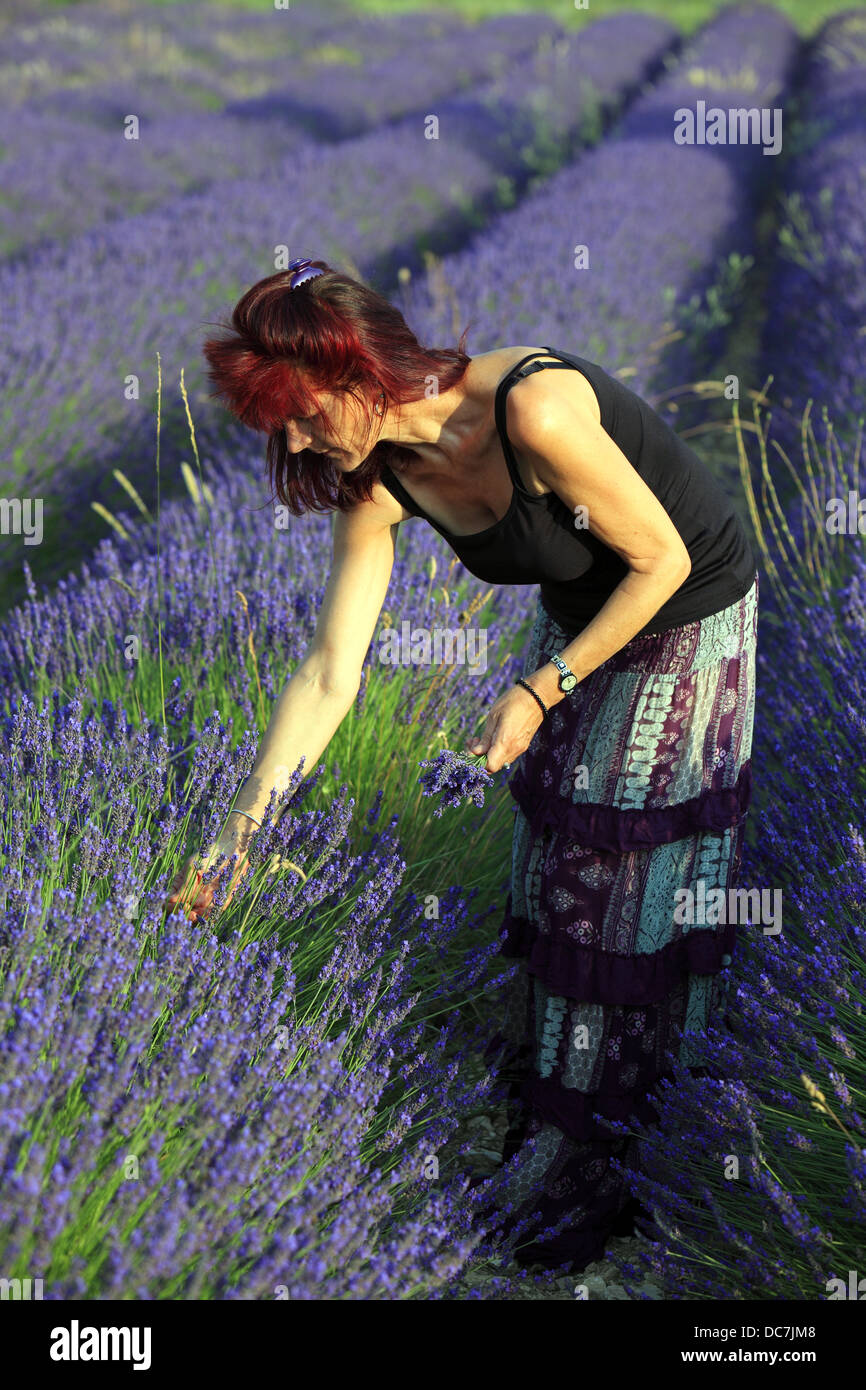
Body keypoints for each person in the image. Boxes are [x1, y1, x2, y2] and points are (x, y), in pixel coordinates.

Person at [165, 257, 759, 1273]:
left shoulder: (534, 412)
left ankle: (608, 1161)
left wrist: (538, 689)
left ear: (359, 373)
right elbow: (326, 671)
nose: (294, 440)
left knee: (611, 884)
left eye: (302, 414)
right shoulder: (380, 479)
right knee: (552, 867)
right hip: (583, 620)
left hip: (685, 614)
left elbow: (658, 560)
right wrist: (240, 835)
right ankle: (565, 1114)